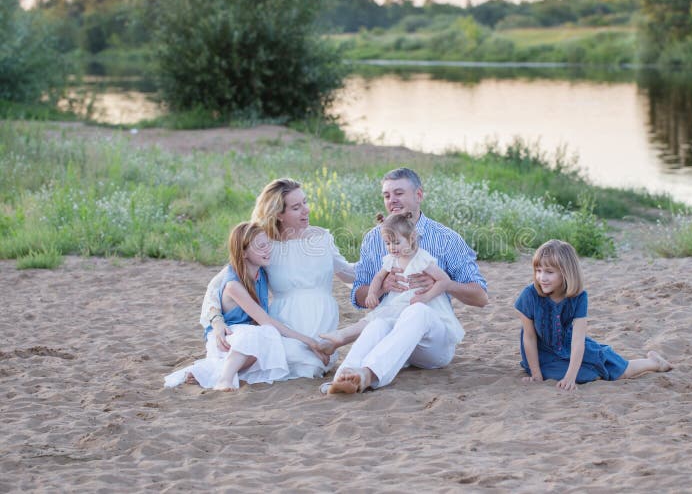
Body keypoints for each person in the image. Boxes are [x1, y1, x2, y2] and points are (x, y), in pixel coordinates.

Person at [326, 167, 488, 394]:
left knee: (417, 311)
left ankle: (368, 375)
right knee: (378, 324)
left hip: (431, 345)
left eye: (399, 193)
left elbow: (481, 297)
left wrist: (443, 285)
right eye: (386, 195)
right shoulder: (375, 239)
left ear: (419, 195)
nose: (392, 200)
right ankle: (345, 375)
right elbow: (360, 297)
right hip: (392, 334)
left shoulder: (447, 239)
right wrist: (381, 288)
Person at [199, 178, 356, 380]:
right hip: (284, 324)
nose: (306, 210)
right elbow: (218, 286)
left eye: (305, 202)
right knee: (282, 354)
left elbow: (348, 272)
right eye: (296, 207)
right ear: (279, 214)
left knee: (313, 363)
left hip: (320, 323)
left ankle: (224, 369)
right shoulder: (265, 245)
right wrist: (217, 320)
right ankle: (217, 371)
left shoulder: (322, 238)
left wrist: (386, 271)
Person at [164, 222, 330, 391]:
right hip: (228, 341)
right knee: (262, 332)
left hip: (252, 341)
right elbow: (265, 321)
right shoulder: (233, 284)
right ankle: (224, 378)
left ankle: (208, 370)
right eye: (260, 246)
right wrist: (308, 340)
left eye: (267, 244)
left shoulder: (261, 271)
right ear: (243, 253)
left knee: (305, 358)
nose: (267, 249)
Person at [516, 239, 672, 391]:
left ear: (566, 273)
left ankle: (654, 362)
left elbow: (578, 340)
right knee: (581, 375)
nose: (542, 278)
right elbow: (529, 337)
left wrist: (570, 377)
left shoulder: (578, 297)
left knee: (616, 370)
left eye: (549, 272)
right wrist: (536, 374)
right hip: (542, 355)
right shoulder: (529, 295)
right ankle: (576, 371)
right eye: (538, 270)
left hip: (568, 345)